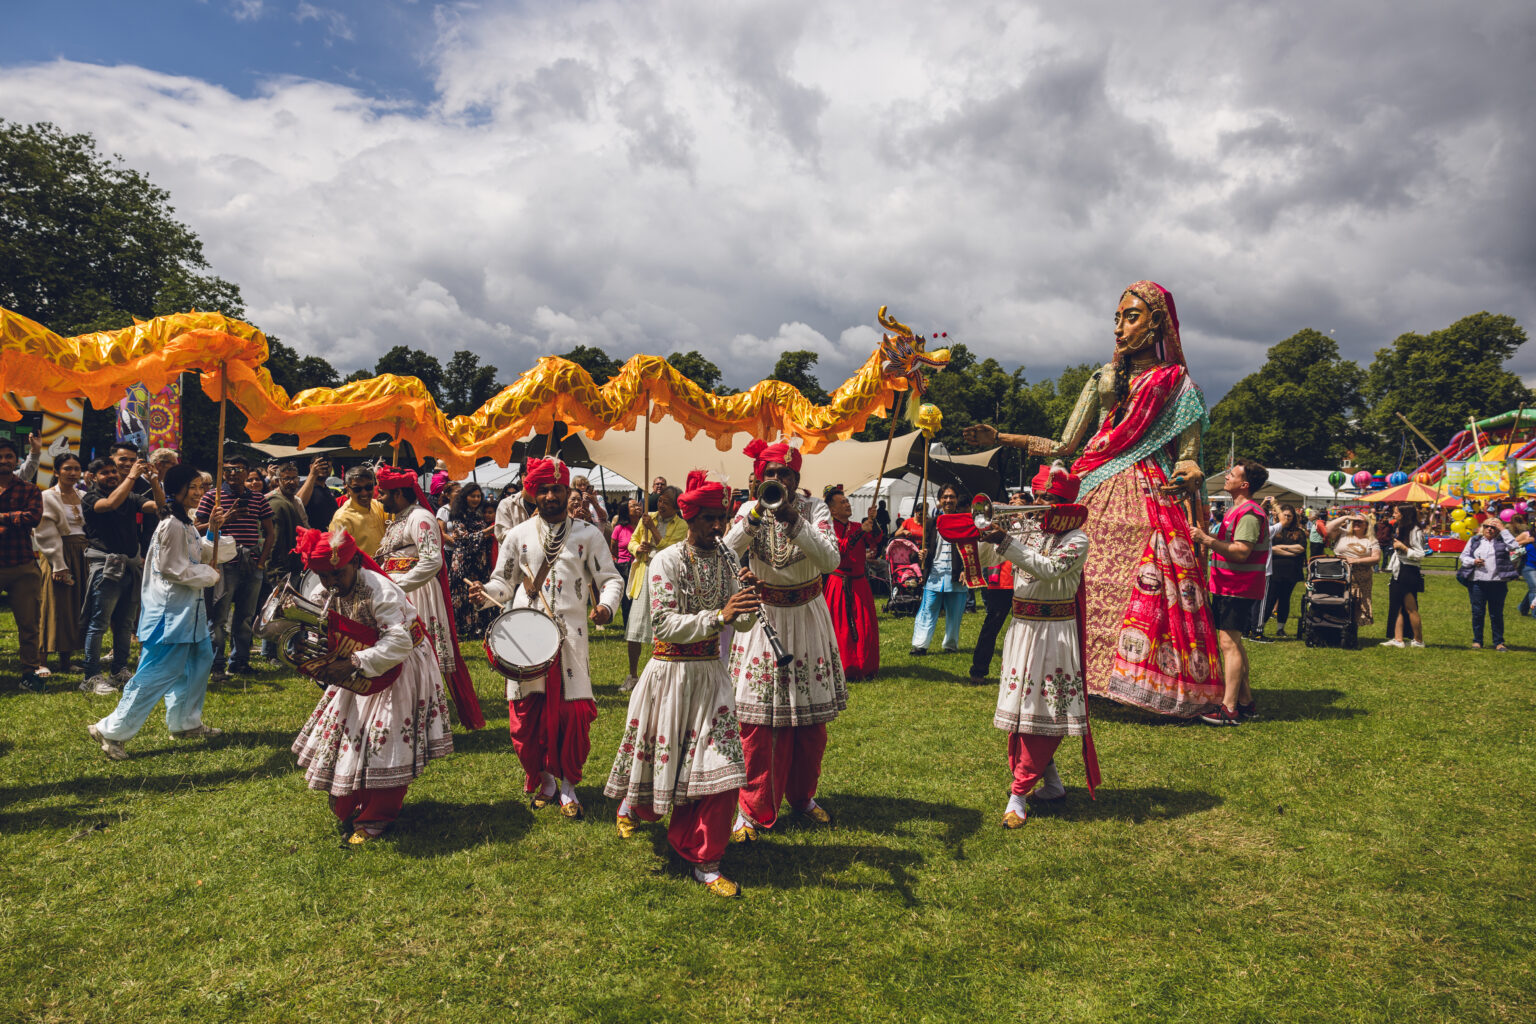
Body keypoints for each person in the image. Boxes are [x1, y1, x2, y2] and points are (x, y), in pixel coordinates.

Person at [963, 281, 1220, 718]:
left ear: (1157, 322)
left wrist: (1191, 468)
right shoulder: (1102, 376)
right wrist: (1001, 438)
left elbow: (1190, 453)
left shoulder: (1177, 385)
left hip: (1148, 488)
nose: (1119, 328)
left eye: (1132, 317)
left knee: (1151, 583)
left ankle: (1145, 683)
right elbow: (1065, 444)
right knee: (1079, 578)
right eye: (1116, 318)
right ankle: (1076, 674)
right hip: (1093, 485)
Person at [604, 471, 757, 897]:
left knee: (720, 769)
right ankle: (632, 806)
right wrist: (720, 616)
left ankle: (705, 860)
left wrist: (747, 603)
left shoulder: (727, 558)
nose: (716, 526)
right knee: (660, 761)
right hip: (669, 675)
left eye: (720, 518)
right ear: (689, 519)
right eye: (708, 518)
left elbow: (739, 621)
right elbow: (665, 625)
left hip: (710, 674)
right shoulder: (665, 561)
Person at [470, 458, 623, 817]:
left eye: (557, 488)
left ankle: (568, 785)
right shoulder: (517, 535)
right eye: (544, 489)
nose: (551, 495)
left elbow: (612, 579)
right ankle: (545, 780)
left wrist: (607, 606)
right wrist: (484, 593)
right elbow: (502, 583)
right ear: (532, 492)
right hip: (525, 638)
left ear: (568, 491)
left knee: (573, 714)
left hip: (570, 638)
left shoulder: (587, 534)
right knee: (527, 715)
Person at [290, 527, 455, 844]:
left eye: (336, 573)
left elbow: (398, 643)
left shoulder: (381, 590)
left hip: (401, 664)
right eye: (323, 575)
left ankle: (378, 815)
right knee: (353, 733)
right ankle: (354, 802)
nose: (330, 582)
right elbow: (316, 627)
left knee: (386, 737)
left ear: (354, 563)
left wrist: (350, 663)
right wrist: (311, 656)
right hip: (358, 660)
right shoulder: (323, 591)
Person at [723, 439, 845, 841]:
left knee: (810, 721)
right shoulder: (746, 509)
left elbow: (830, 560)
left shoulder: (816, 509)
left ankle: (802, 796)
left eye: (784, 475)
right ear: (760, 477)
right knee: (757, 721)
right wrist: (754, 516)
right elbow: (725, 554)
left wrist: (794, 518)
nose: (776, 480)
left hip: (808, 616)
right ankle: (752, 807)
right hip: (763, 619)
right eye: (769, 474)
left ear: (796, 478)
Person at [979, 463, 1098, 827]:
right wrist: (984, 533)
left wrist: (1007, 540)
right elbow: (988, 562)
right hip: (1022, 628)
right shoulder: (1026, 531)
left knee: (1043, 712)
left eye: (1047, 499)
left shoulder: (1077, 539)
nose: (1037, 504)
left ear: (1063, 504)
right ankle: (1052, 784)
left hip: (1053, 631)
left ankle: (1018, 793)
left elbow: (1047, 569)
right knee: (1023, 710)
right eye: (1038, 497)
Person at [88, 464, 235, 759]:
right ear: (176, 490)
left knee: (200, 659)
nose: (198, 493)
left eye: (200, 487)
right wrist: (208, 575)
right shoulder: (172, 525)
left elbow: (199, 553)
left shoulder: (186, 523)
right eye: (192, 487)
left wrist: (215, 532)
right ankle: (111, 729)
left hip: (190, 613)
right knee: (159, 671)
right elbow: (171, 569)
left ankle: (185, 721)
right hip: (172, 613)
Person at [374, 466, 483, 729]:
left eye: (384, 493)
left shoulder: (421, 518)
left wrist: (399, 584)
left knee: (417, 654)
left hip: (416, 592)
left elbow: (432, 561)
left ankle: (425, 717)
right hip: (398, 592)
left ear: (398, 493)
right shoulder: (400, 518)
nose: (379, 498)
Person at [1191, 458, 1270, 726]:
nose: (1227, 476)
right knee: (1233, 643)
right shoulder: (1237, 509)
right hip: (1230, 585)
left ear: (1244, 484)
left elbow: (1241, 551)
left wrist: (1206, 540)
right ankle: (1246, 702)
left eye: (1232, 474)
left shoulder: (1248, 513)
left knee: (1229, 644)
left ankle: (1229, 709)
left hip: (1239, 587)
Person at [80, 455, 158, 694]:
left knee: (125, 623)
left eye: (114, 472)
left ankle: (119, 670)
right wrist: (133, 476)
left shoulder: (130, 497)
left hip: (131, 564)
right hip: (105, 565)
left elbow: (158, 507)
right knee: (100, 623)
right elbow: (110, 504)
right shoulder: (91, 497)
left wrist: (155, 481)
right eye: (105, 472)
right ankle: (91, 676)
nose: (112, 476)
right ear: (93, 477)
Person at [193, 455, 275, 680]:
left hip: (251, 562)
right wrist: (223, 521)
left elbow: (270, 532)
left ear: (247, 472)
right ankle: (216, 663)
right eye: (227, 470)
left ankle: (240, 661)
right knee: (218, 616)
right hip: (223, 564)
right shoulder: (213, 497)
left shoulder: (258, 499)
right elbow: (196, 529)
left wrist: (261, 562)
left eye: (238, 470)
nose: (232, 474)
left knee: (246, 616)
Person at [623, 486, 686, 691]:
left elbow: (672, 550)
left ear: (676, 506)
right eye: (660, 501)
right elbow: (632, 540)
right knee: (635, 628)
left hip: (666, 579)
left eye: (666, 502)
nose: (661, 505)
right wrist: (637, 548)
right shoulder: (647, 517)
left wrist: (654, 531)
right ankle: (632, 674)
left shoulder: (682, 525)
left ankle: (659, 676)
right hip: (644, 573)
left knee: (662, 628)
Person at [0, 438, 47, 691]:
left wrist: (3, 517)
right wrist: (14, 519)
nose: (4, 461)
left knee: (29, 623)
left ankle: (29, 672)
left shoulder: (29, 489)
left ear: (16, 460)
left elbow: (34, 517)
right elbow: (24, 517)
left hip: (22, 565)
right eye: (0, 456)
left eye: (8, 456)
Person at [35, 452, 88, 677]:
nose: (73, 473)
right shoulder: (47, 496)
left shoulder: (84, 495)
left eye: (76, 469)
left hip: (82, 552)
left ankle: (66, 660)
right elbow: (45, 532)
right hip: (58, 552)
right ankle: (40, 661)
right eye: (67, 468)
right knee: (53, 603)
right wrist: (58, 563)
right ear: (57, 471)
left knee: (74, 605)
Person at [823, 486, 880, 681]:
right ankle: (844, 666)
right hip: (839, 583)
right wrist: (860, 532)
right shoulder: (829, 528)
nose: (848, 505)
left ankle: (865, 665)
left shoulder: (857, 525)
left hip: (859, 583)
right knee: (841, 627)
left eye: (848, 501)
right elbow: (840, 549)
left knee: (864, 625)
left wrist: (873, 520)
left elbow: (876, 538)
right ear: (832, 510)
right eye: (843, 502)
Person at [910, 484, 967, 655]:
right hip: (935, 575)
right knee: (928, 610)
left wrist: (966, 568)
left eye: (952, 497)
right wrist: (922, 554)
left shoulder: (964, 520)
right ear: (940, 500)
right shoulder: (931, 523)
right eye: (945, 497)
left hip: (957, 574)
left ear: (957, 500)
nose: (948, 500)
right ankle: (920, 645)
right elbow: (926, 546)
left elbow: (969, 548)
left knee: (955, 614)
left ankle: (950, 645)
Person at [1459, 518, 1521, 650]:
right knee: (1478, 612)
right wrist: (1473, 561)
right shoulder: (1475, 540)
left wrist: (1503, 530)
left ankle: (1499, 642)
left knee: (1496, 613)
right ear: (1483, 527)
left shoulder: (1503, 541)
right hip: (1477, 582)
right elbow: (1463, 557)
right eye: (1487, 526)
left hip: (1498, 582)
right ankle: (1477, 641)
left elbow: (1515, 547)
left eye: (1494, 527)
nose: (1490, 529)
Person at [447, 483, 496, 638]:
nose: (476, 499)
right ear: (465, 497)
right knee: (462, 594)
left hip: (479, 560)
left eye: (478, 496)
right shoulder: (458, 515)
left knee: (478, 592)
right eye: (472, 496)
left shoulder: (479, 514)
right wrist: (487, 532)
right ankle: (463, 628)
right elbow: (463, 537)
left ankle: (479, 627)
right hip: (463, 560)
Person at [1381, 506, 1427, 648]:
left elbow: (1420, 554)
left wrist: (1403, 547)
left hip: (1408, 571)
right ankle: (1398, 639)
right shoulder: (1402, 528)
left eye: (1396, 512)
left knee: (1410, 607)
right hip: (1399, 570)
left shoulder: (1415, 531)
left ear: (1404, 514)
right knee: (1397, 606)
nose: (1394, 514)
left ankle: (1418, 640)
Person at [1326, 512, 1379, 628]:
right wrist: (1345, 517)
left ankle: (1351, 632)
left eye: (1360, 521)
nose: (1356, 523)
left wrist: (1356, 561)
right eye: (1354, 521)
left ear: (1366, 525)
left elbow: (1376, 558)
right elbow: (1328, 528)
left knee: (1356, 605)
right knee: (1338, 602)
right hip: (1339, 574)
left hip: (1361, 578)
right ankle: (1334, 628)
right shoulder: (1343, 533)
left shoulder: (1371, 540)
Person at [1261, 504, 1306, 639]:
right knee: (1270, 599)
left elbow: (1301, 548)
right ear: (1279, 516)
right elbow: (1271, 549)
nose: (1287, 518)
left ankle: (1281, 628)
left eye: (1289, 516)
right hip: (1274, 571)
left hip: (1291, 572)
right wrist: (1289, 551)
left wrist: (1281, 547)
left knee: (1285, 599)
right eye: (1284, 515)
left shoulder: (1300, 532)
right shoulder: (1274, 531)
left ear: (1294, 518)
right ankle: (1260, 627)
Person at [331, 465, 387, 558]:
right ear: (347, 489)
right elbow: (337, 556)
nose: (364, 493)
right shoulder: (341, 518)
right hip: (361, 571)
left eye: (368, 487)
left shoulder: (378, 505)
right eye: (357, 489)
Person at [609, 498, 638, 626]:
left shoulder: (644, 525)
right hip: (625, 566)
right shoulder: (619, 528)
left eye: (638, 505)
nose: (637, 507)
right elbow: (613, 548)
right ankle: (628, 624)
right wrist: (622, 559)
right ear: (626, 510)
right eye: (633, 506)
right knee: (627, 599)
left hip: (641, 564)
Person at [492, 472, 537, 544]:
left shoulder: (548, 502)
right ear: (523, 477)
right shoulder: (506, 504)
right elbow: (502, 536)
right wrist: (529, 525)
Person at [1512, 515, 1536, 618]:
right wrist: (1526, 541)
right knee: (1535, 588)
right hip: (1529, 567)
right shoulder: (1526, 535)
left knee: (1533, 588)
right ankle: (1535, 614)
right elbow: (1511, 544)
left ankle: (1523, 607)